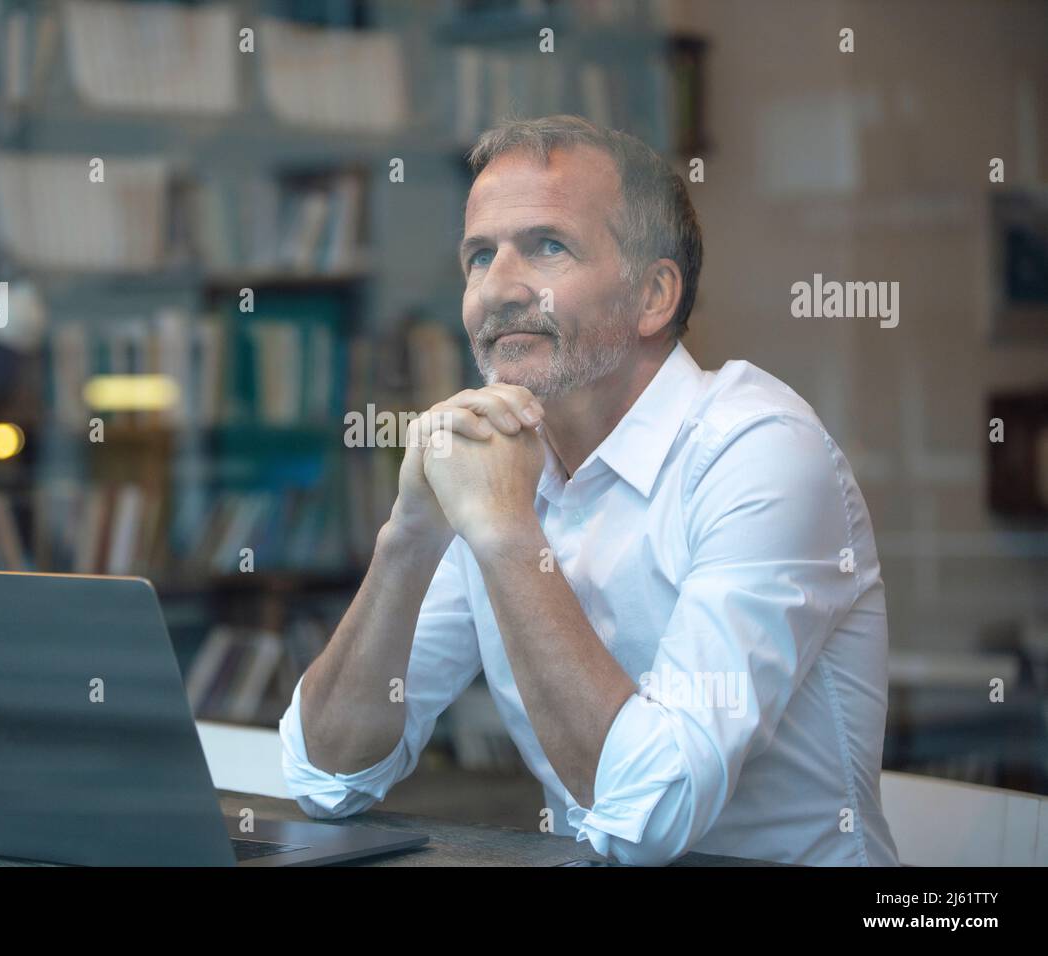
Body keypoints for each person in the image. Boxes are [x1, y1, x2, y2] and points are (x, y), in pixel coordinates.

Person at [280, 114, 899, 866]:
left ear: (653, 296)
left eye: (547, 246)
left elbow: (653, 815)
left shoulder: (759, 453)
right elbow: (329, 779)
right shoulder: (502, 461)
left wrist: (507, 534)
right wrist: (409, 536)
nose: (497, 290)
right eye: (479, 256)